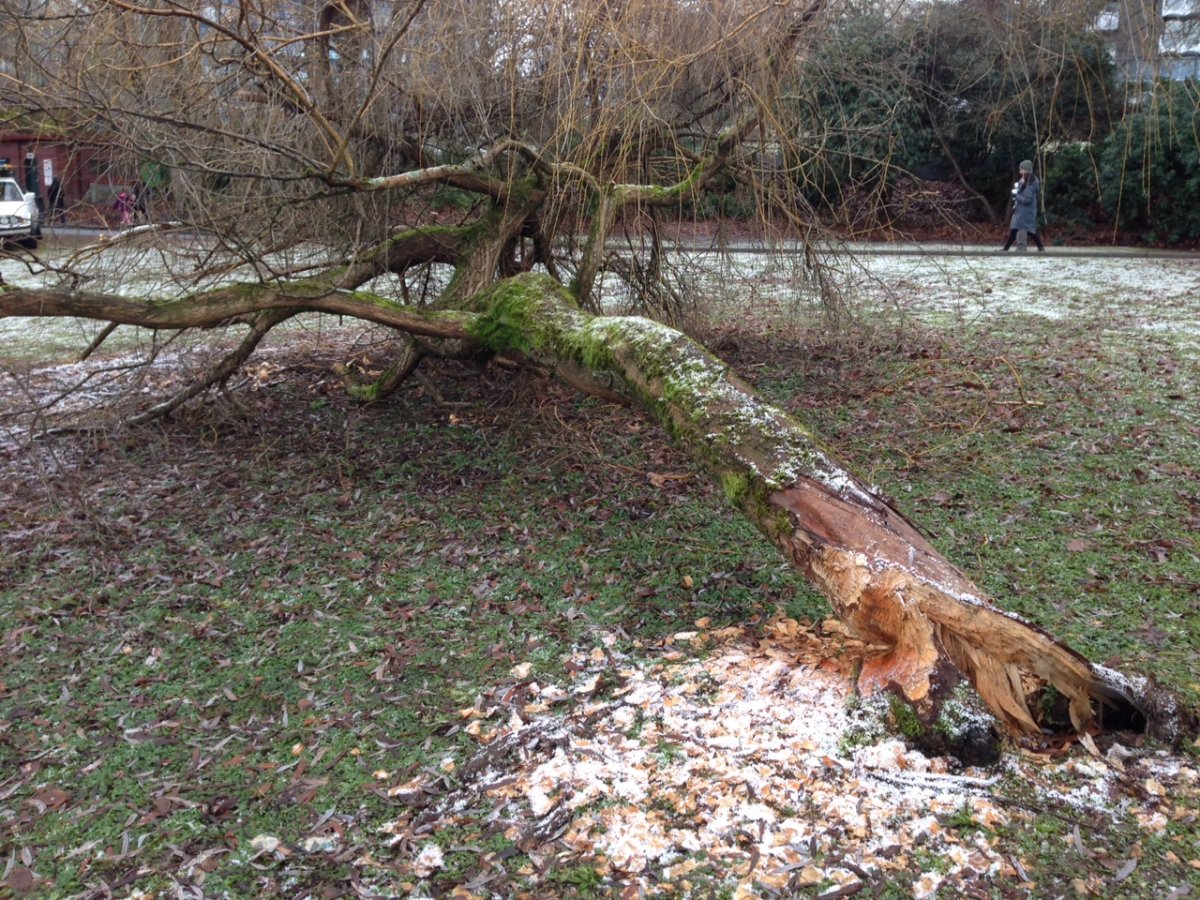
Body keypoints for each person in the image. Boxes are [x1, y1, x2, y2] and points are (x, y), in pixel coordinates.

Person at [1001, 160, 1044, 252]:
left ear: (1026, 170)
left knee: (1025, 229)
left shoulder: (1031, 184)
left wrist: (1016, 195)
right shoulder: (1025, 181)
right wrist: (1019, 186)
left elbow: (1027, 200)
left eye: (1021, 169)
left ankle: (1007, 248)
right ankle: (1007, 248)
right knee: (1018, 228)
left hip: (1026, 212)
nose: (1020, 171)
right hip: (1022, 211)